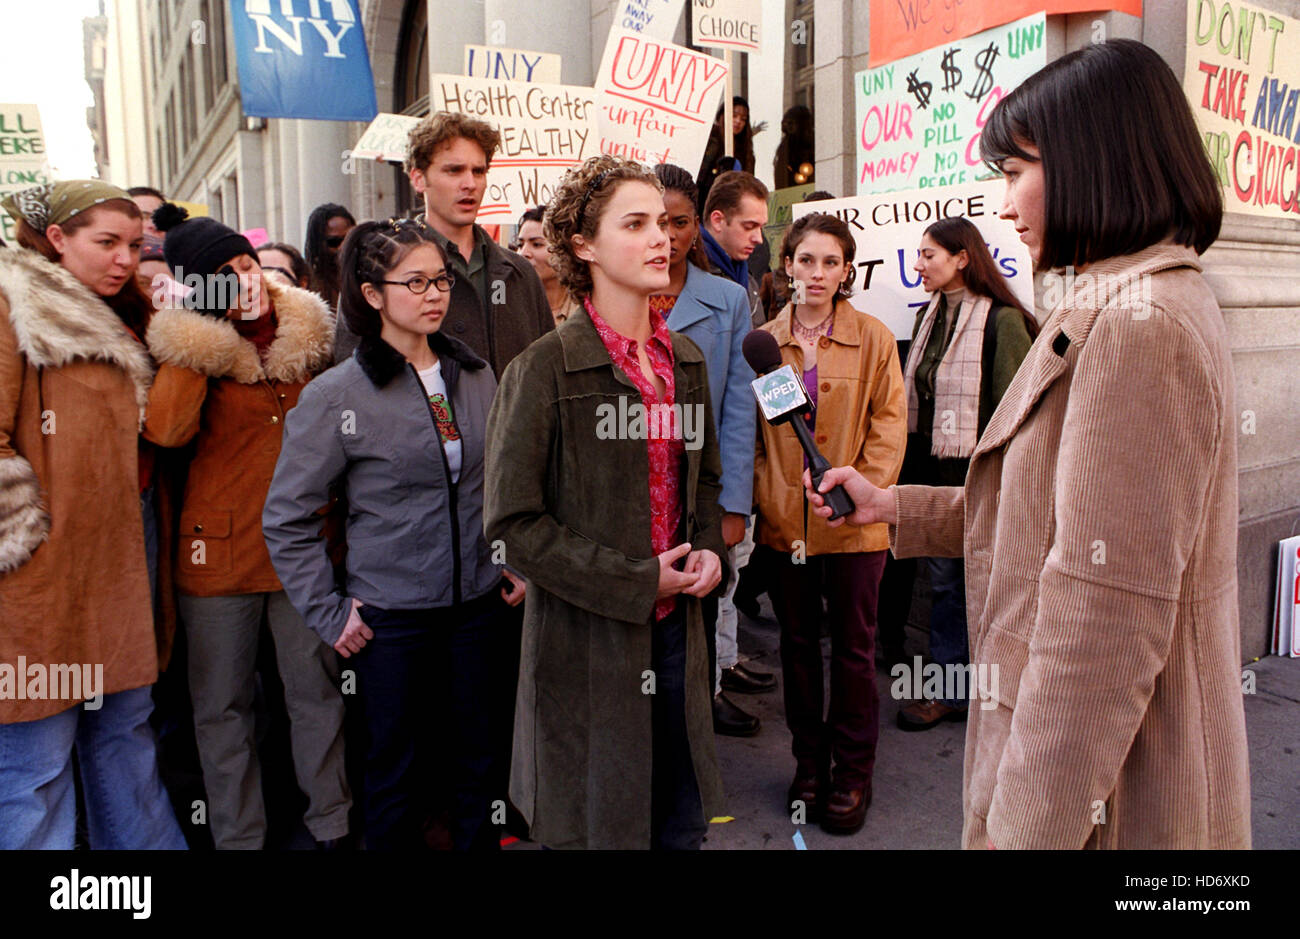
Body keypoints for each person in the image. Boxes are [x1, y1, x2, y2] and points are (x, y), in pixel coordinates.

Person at [805, 39, 1250, 849]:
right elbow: (1040, 508)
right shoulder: (1130, 302)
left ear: (1092, 160)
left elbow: (1101, 628)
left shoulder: (1137, 326)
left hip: (1117, 804)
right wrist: (893, 505)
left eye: (1015, 173)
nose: (1005, 207)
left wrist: (1022, 834)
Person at [484, 155, 727, 850]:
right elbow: (511, 526)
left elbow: (703, 482)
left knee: (680, 824)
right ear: (583, 246)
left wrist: (709, 549)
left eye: (664, 223)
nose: (662, 238)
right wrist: (635, 579)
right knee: (601, 824)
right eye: (636, 223)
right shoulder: (543, 369)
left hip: (680, 634)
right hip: (585, 647)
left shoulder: (686, 361)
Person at [264, 216, 520, 850]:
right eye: (415, 282)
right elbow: (287, 515)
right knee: (394, 777)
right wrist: (328, 611)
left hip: (479, 609)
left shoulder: (476, 374)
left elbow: (501, 483)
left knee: (479, 768)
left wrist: (514, 561)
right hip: (391, 618)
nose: (434, 294)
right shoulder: (336, 394)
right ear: (373, 294)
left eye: (441, 280)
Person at [144, 204, 351, 850]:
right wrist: (199, 341)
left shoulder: (306, 338)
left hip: (300, 553)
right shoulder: (191, 351)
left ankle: (333, 826)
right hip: (215, 560)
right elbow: (167, 431)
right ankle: (240, 838)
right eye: (224, 272)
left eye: (246, 263)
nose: (245, 277)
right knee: (223, 710)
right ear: (200, 285)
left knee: (315, 696)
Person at [0, 180, 186, 849]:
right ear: (55, 238)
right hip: (39, 579)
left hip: (122, 558)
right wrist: (22, 551)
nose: (124, 259)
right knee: (35, 767)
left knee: (126, 743)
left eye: (135, 245)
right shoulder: (12, 300)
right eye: (106, 242)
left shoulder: (126, 313)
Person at [753, 212, 906, 835]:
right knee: (796, 649)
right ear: (788, 263)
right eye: (806, 260)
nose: (816, 273)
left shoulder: (874, 338)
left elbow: (889, 424)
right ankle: (808, 763)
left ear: (847, 271)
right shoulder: (764, 343)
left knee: (852, 650)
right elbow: (755, 441)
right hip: (786, 526)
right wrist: (763, 500)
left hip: (855, 524)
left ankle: (852, 773)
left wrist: (861, 495)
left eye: (830, 262)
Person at [886, 217, 1036, 731]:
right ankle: (961, 681)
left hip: (973, 473)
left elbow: (1017, 413)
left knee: (957, 580)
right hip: (929, 466)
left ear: (962, 259)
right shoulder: (929, 316)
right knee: (946, 577)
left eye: (929, 255)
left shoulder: (1002, 321)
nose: (919, 264)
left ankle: (957, 688)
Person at [651, 163, 771, 739]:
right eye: (652, 222)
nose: (667, 236)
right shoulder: (614, 294)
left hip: (705, 488)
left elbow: (739, 410)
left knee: (707, 601)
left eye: (678, 222)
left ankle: (702, 710)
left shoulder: (727, 300)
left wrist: (733, 505)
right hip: (636, 492)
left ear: (697, 225)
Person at [335, 112, 554, 373]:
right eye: (454, 170)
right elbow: (351, 378)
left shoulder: (520, 272)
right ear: (418, 179)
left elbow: (547, 371)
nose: (470, 184)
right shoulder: (380, 267)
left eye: (479, 171)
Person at [700, 171, 768, 329]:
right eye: (749, 227)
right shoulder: (687, 276)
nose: (759, 239)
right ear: (718, 221)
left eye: (761, 228)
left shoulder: (748, 280)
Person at [516, 205, 578, 325]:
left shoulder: (589, 307)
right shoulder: (506, 303)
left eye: (537, 244)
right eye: (520, 245)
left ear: (564, 249)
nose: (523, 253)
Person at [698, 96, 756, 209]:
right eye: (734, 116)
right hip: (706, 205)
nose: (738, 121)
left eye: (743, 119)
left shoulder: (746, 149)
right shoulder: (711, 140)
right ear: (722, 116)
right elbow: (700, 177)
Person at [304, 203, 355, 311]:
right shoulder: (308, 283)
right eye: (334, 242)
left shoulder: (366, 271)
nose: (343, 247)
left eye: (349, 238)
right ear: (318, 244)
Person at [773, 105, 814, 189]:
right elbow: (780, 177)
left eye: (791, 123)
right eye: (787, 123)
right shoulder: (785, 147)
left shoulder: (813, 144)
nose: (789, 127)